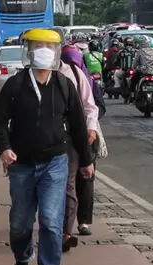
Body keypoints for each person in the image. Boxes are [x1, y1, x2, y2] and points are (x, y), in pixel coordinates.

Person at [0, 28, 95, 265]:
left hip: (54, 162)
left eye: (49, 46)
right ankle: (22, 256)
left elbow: (77, 125)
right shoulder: (15, 85)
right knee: (20, 222)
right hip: (22, 164)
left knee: (51, 221)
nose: (43, 50)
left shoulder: (64, 85)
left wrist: (86, 160)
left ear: (56, 52)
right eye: (38, 45)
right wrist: (4, 149)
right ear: (28, 51)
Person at [59, 44, 103, 248]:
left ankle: (68, 230)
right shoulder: (29, 77)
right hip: (43, 140)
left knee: (73, 183)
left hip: (76, 138)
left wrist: (91, 128)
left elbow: (92, 106)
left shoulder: (77, 75)